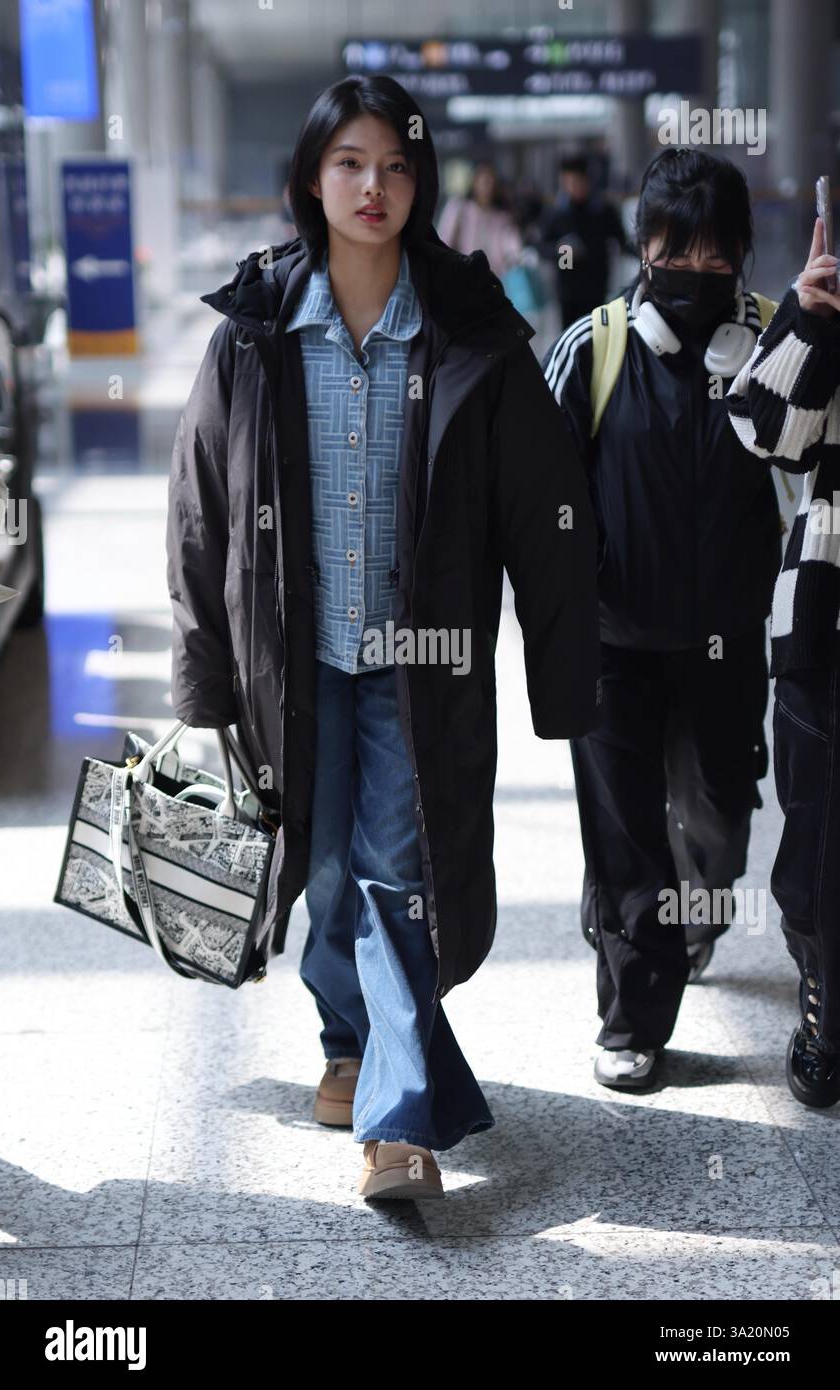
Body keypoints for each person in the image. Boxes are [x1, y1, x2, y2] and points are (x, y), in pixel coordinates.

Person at [166, 74, 600, 1198]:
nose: (375, 186)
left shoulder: (469, 331)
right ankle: (345, 1043)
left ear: (424, 183)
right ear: (311, 178)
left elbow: (543, 513)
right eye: (351, 163)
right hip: (292, 662)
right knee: (322, 872)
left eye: (398, 165)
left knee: (397, 873)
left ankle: (397, 1127)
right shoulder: (258, 329)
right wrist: (201, 683)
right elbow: (200, 508)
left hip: (421, 668)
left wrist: (564, 679)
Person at [541, 147, 783, 1090]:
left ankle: (695, 909)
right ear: (640, 247)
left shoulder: (770, 345)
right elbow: (541, 500)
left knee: (719, 822)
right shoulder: (593, 349)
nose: (690, 273)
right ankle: (631, 1018)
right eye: (670, 252)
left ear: (740, 256)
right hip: (611, 647)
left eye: (712, 255)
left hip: (727, 641)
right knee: (626, 839)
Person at [727, 217, 840, 1108]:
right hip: (823, 613)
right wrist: (807, 319)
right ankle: (823, 1002)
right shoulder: (822, 312)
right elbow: (766, 435)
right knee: (818, 831)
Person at [538, 154, 631, 328]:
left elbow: (622, 240)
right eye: (571, 181)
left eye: (580, 181)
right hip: (567, 289)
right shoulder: (556, 213)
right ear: (564, 182)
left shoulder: (602, 211)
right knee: (570, 333)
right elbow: (542, 248)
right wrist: (560, 250)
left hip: (596, 286)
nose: (576, 186)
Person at [436, 161, 523, 276]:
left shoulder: (501, 216)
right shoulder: (459, 208)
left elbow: (511, 243)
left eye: (491, 182)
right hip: (463, 276)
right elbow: (444, 239)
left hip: (495, 278)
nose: (488, 187)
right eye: (484, 182)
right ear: (474, 182)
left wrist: (517, 258)